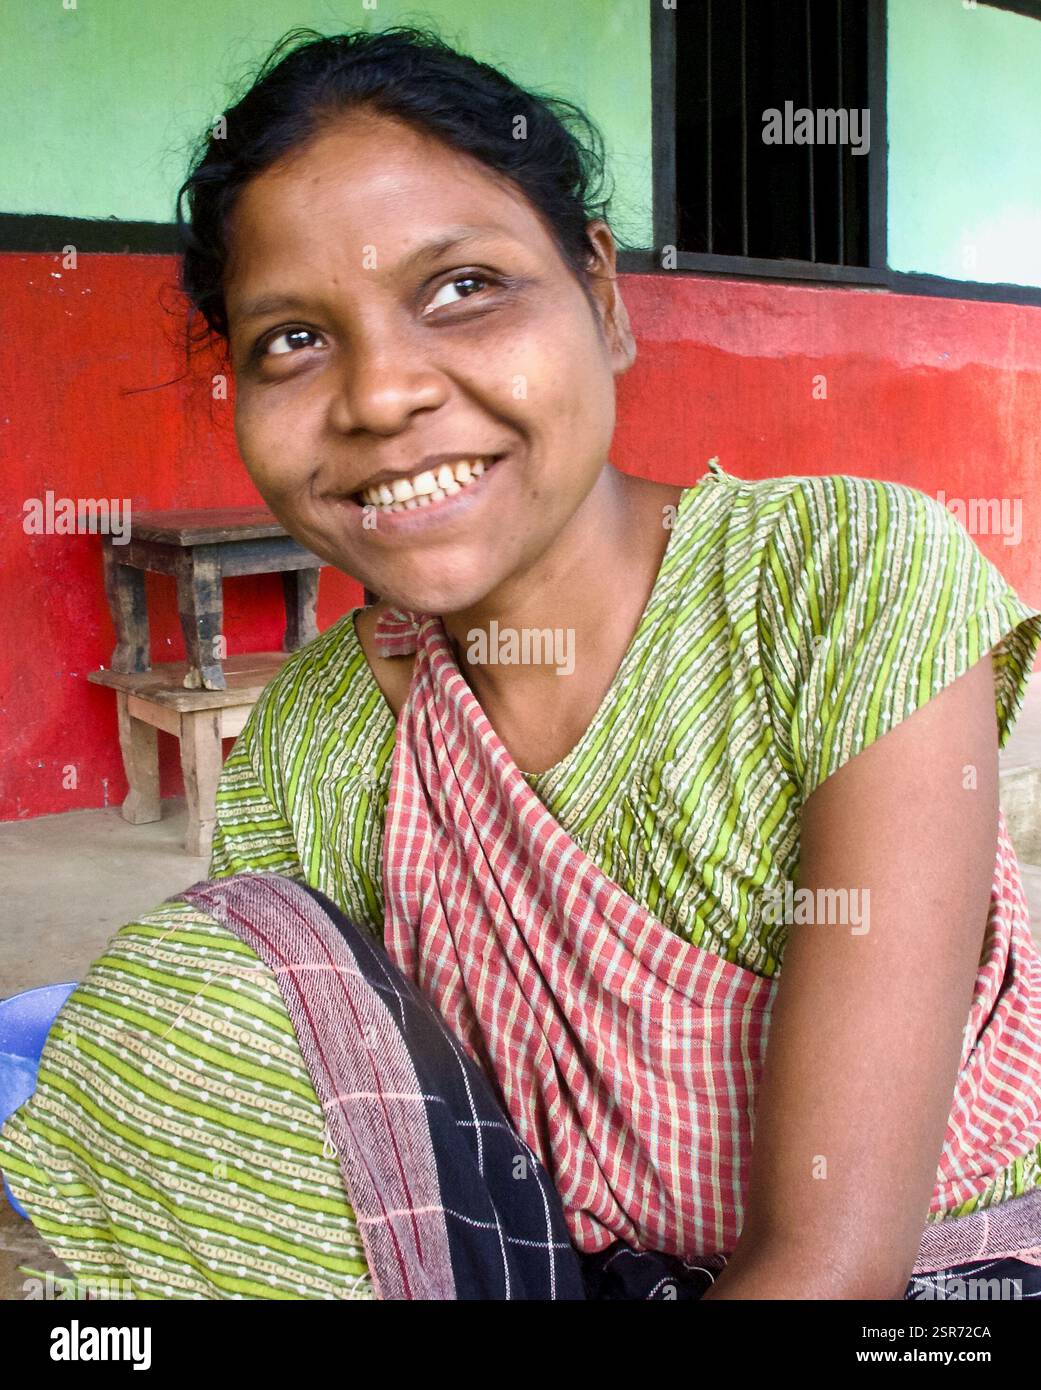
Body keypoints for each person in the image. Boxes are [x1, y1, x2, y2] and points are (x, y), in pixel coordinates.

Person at [3, 25, 1041, 1301]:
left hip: (943, 1275)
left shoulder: (836, 577)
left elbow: (834, 1261)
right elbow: (359, 1143)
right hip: (545, 1268)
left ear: (602, 299)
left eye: (461, 289)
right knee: (185, 1006)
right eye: (291, 340)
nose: (382, 395)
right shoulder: (320, 737)